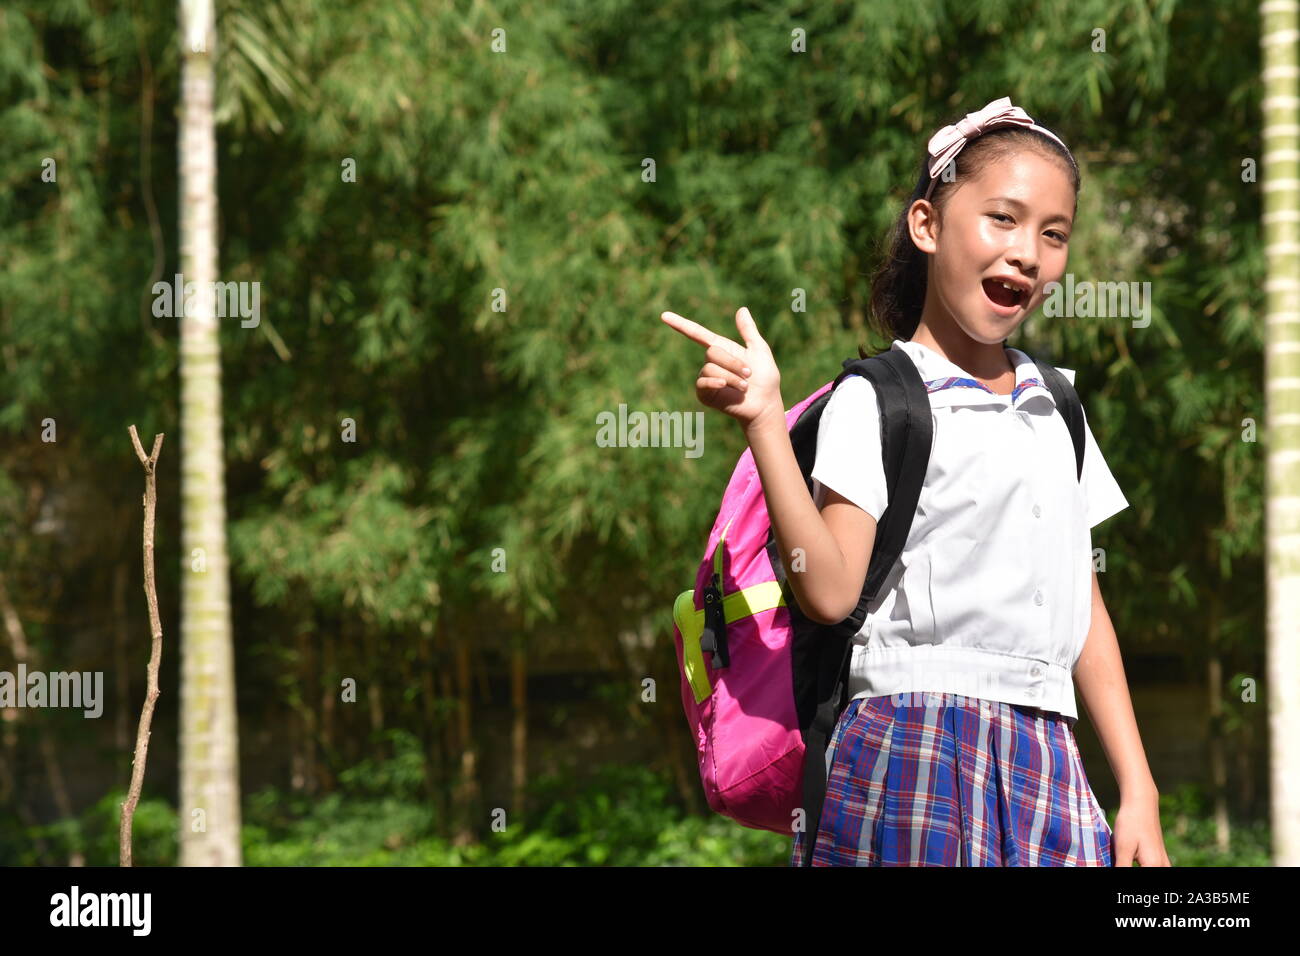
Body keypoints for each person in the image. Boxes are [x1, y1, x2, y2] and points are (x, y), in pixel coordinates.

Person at [661, 96, 1171, 866]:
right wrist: (764, 420)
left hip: (1047, 755)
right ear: (927, 225)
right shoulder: (880, 398)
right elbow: (829, 592)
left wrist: (1138, 789)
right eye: (1002, 218)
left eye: (1053, 233)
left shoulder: (1057, 404)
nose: (1028, 252)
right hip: (912, 748)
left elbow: (1083, 606)